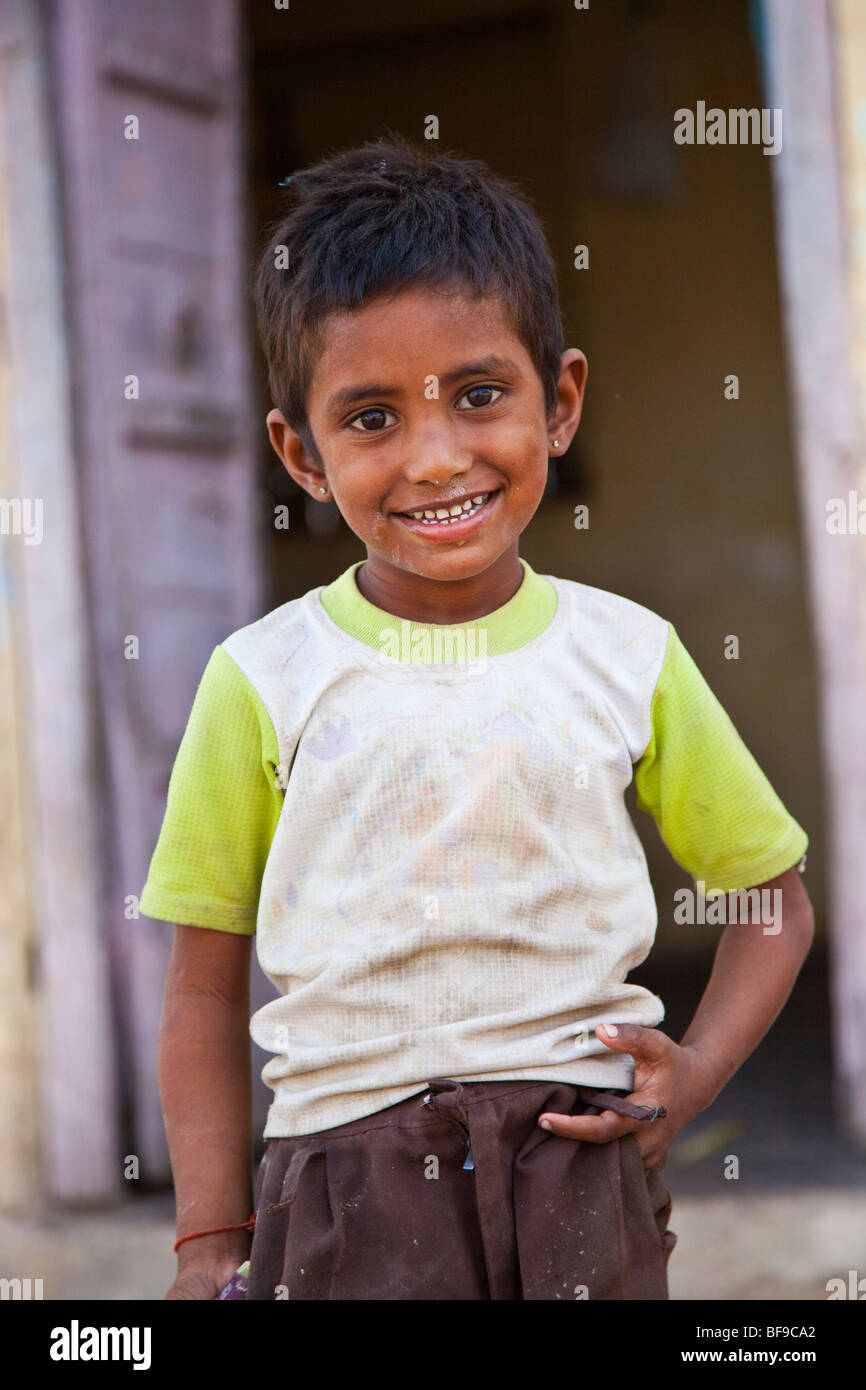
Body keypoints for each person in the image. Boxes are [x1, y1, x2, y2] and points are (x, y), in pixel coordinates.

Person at [140, 135, 814, 1301]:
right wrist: (208, 1238)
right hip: (342, 1191)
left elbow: (771, 899)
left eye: (478, 394)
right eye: (370, 418)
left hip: (579, 1174)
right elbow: (203, 983)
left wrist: (692, 1073)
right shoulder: (261, 677)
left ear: (558, 402)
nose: (436, 456)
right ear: (299, 454)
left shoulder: (624, 655)